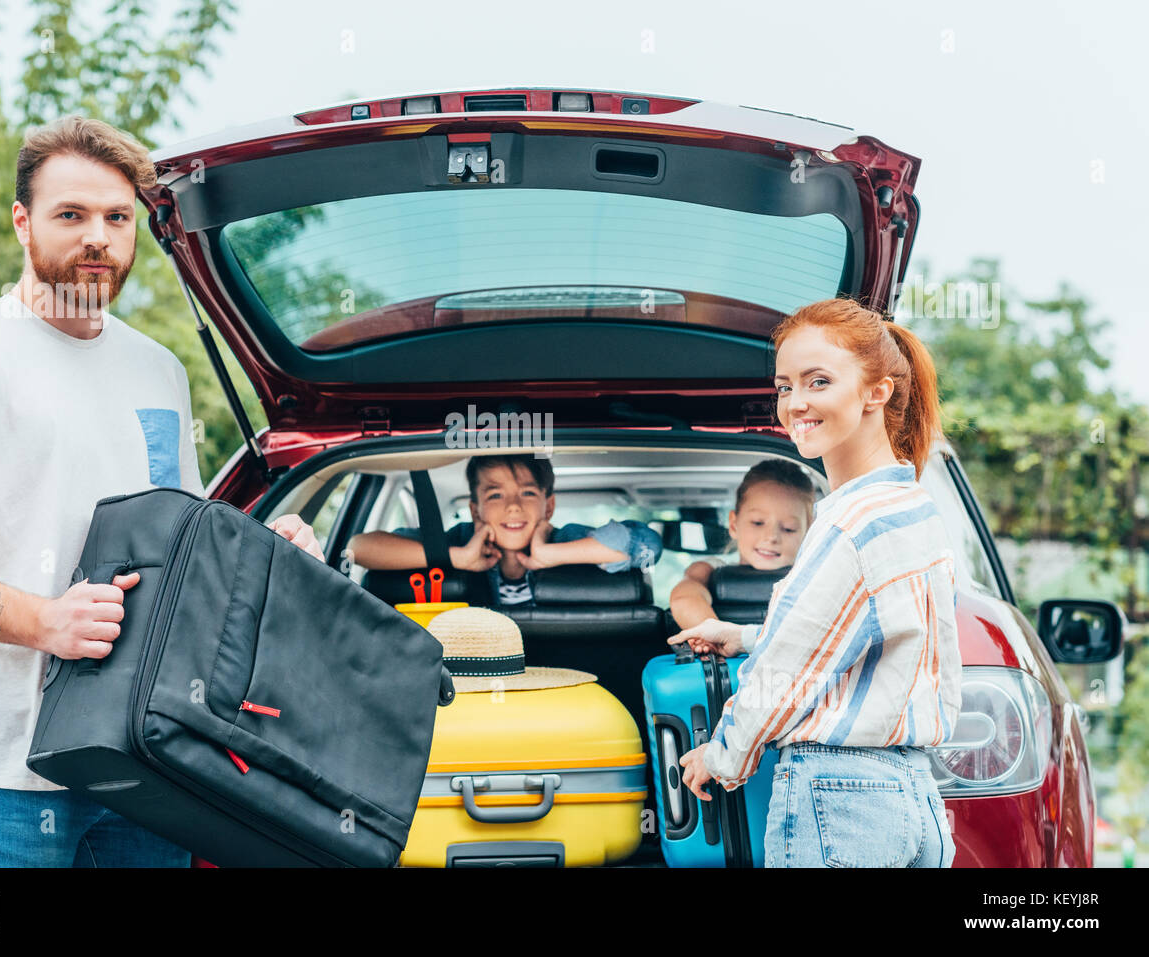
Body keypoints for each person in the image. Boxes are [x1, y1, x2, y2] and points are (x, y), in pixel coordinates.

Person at [0, 115, 324, 868]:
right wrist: (45, 621)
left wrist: (268, 553)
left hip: (147, 759)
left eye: (116, 216)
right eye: (70, 215)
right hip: (4, 775)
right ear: (22, 221)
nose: (97, 237)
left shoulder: (159, 370)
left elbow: (180, 540)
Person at [669, 297, 961, 868]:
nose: (795, 403)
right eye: (784, 387)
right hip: (916, 799)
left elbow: (784, 679)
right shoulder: (911, 509)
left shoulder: (848, 525)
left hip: (840, 799)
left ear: (877, 391)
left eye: (817, 381)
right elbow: (874, 635)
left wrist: (721, 754)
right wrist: (750, 636)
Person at [349, 453, 662, 606]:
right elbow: (359, 547)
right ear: (476, 510)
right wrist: (456, 559)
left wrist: (550, 554)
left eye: (527, 492)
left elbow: (649, 545)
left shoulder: (567, 539)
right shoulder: (457, 541)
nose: (513, 506)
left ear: (548, 506)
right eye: (495, 495)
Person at [668, 458, 815, 632]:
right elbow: (683, 597)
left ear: (809, 532)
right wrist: (715, 636)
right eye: (758, 523)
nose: (771, 537)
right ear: (733, 525)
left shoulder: (815, 577)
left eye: (789, 529)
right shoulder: (711, 569)